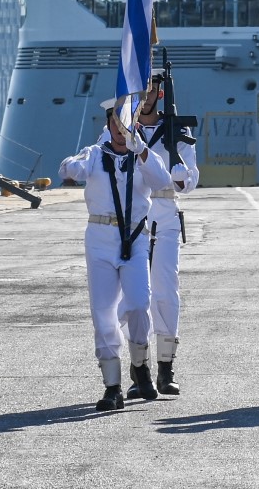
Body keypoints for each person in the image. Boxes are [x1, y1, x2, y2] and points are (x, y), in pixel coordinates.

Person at [60, 98, 171, 412]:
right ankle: (112, 385)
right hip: (101, 237)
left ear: (134, 125)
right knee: (104, 312)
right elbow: (71, 168)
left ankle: (141, 366)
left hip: (134, 236)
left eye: (126, 124)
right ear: (108, 126)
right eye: (116, 125)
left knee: (138, 303)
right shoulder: (96, 154)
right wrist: (75, 166)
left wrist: (143, 151)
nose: (121, 131)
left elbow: (162, 181)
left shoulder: (142, 156)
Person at [133, 75, 199, 395]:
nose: (146, 95)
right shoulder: (123, 130)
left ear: (160, 93)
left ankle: (166, 369)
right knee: (135, 298)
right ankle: (139, 371)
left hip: (164, 216)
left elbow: (189, 183)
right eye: (141, 89)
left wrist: (181, 173)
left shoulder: (178, 131)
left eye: (151, 89)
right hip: (131, 218)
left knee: (165, 293)